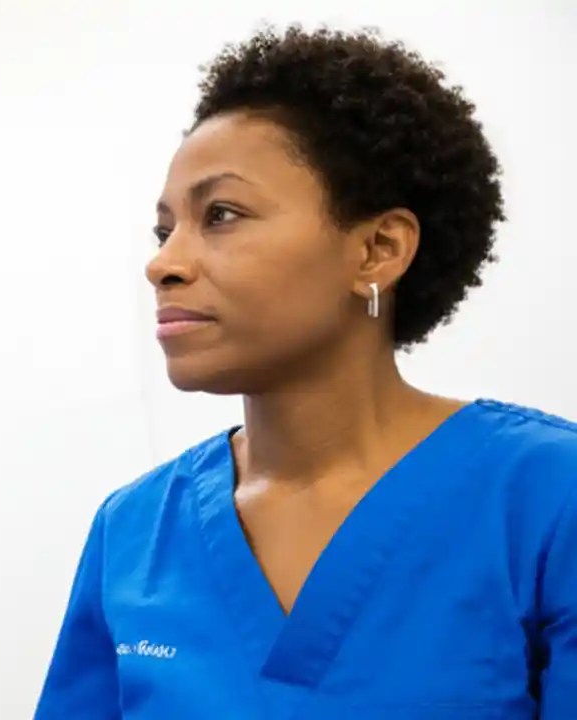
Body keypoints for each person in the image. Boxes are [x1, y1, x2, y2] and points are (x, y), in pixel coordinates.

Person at [34, 24, 577, 719]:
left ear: (378, 250)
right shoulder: (134, 531)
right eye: (163, 229)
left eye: (222, 215)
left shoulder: (545, 500)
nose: (164, 262)